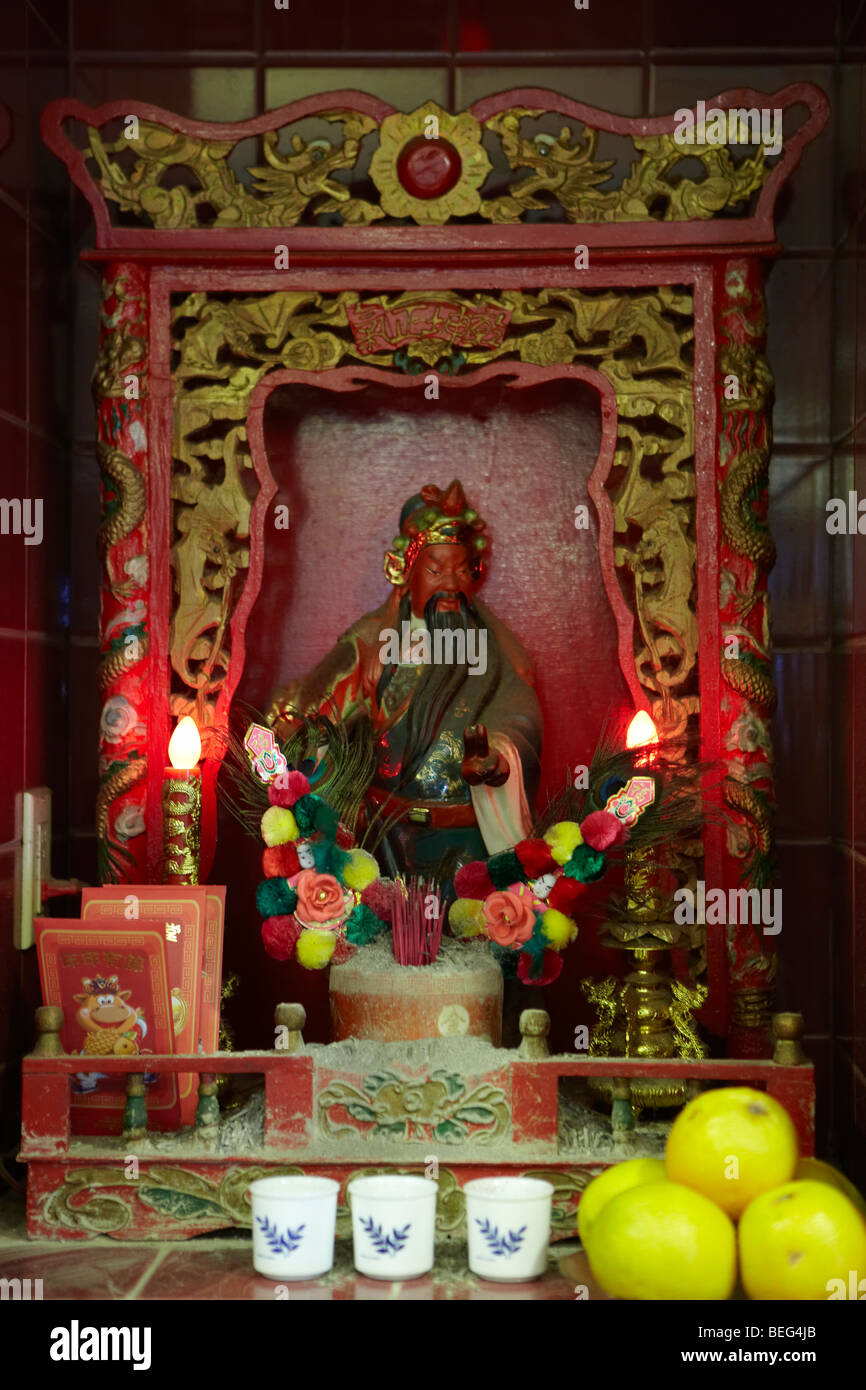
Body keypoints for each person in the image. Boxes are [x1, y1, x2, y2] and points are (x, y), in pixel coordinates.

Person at [267, 480, 543, 880]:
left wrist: (498, 757)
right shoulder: (372, 645)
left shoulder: (488, 650)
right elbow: (308, 711)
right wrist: (295, 732)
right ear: (406, 573)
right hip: (383, 844)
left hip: (468, 845)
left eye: (463, 571)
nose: (451, 584)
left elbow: (519, 713)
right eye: (436, 570)